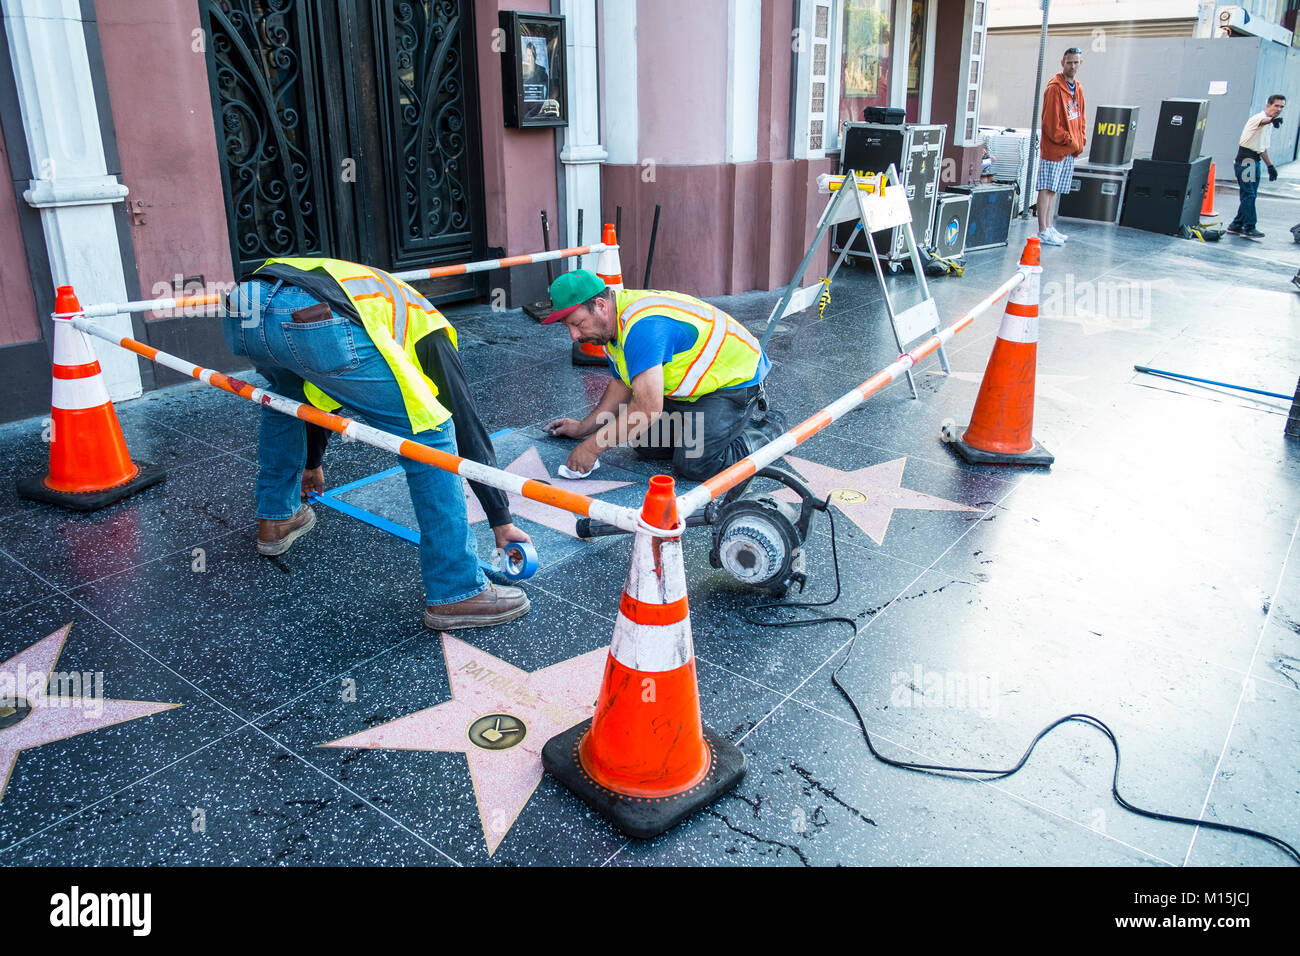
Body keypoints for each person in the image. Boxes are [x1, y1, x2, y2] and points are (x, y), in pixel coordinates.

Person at [220, 257, 530, 631]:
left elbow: (314, 385)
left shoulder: (379, 293)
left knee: (285, 399)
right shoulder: (432, 330)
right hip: (310, 315)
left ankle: (277, 517)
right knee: (431, 434)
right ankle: (457, 590)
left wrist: (312, 463)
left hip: (245, 307)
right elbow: (464, 420)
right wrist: (501, 520)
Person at [300, 331, 532, 558]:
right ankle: (455, 581)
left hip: (418, 341)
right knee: (432, 441)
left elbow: (465, 426)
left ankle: (456, 579)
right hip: (395, 340)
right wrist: (312, 461)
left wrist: (500, 520)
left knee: (435, 439)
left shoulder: (426, 337)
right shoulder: (337, 334)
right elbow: (324, 397)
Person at [540, 270, 783, 482]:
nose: (573, 335)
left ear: (601, 306)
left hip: (733, 382)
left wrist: (591, 448)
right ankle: (711, 431)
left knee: (694, 463)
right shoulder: (608, 325)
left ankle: (767, 430)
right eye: (568, 327)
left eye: (578, 323)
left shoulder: (642, 327)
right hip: (692, 389)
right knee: (645, 443)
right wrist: (583, 428)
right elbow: (621, 385)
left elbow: (647, 409)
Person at [1035, 47, 1086, 247]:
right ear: (1062, 63)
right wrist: (1070, 140)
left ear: (1081, 63)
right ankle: (1042, 229)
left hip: (1069, 150)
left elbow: (1081, 117)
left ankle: (1049, 226)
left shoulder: (1078, 88)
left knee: (1055, 189)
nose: (1072, 66)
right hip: (1055, 149)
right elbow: (1050, 124)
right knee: (1046, 187)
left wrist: (1080, 140)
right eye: (1069, 62)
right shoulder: (1054, 88)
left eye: (1076, 62)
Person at [1229, 94, 1286, 240]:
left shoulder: (1269, 126)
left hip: (1254, 160)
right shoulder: (1258, 118)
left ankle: (1236, 224)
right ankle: (1249, 227)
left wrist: (1270, 166)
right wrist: (1272, 120)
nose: (1279, 109)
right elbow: (1263, 121)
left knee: (1250, 194)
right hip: (1246, 160)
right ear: (1268, 105)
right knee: (1249, 195)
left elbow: (1262, 148)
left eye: (1281, 107)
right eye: (1276, 106)